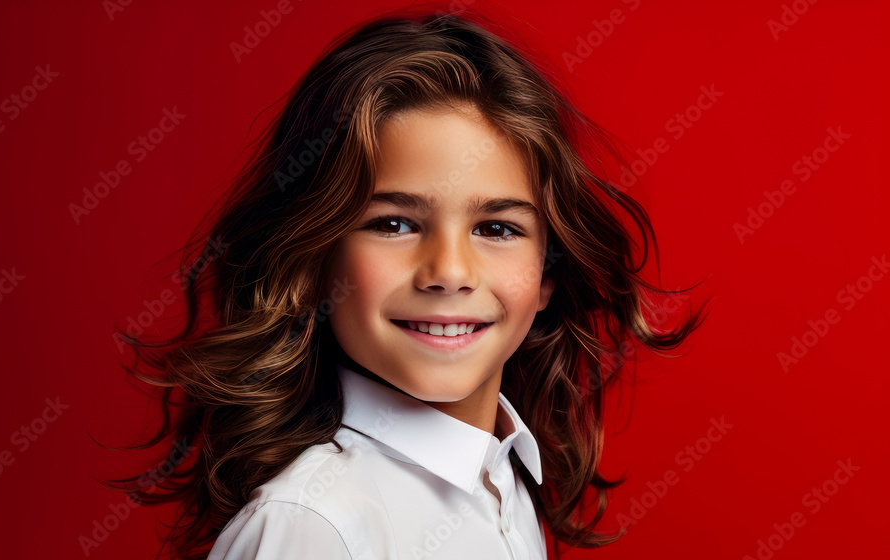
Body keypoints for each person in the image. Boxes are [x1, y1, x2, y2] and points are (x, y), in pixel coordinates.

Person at [107, 7, 709, 560]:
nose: (448, 271)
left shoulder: (503, 478)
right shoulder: (312, 525)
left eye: (496, 228)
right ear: (316, 261)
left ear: (549, 273)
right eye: (394, 223)